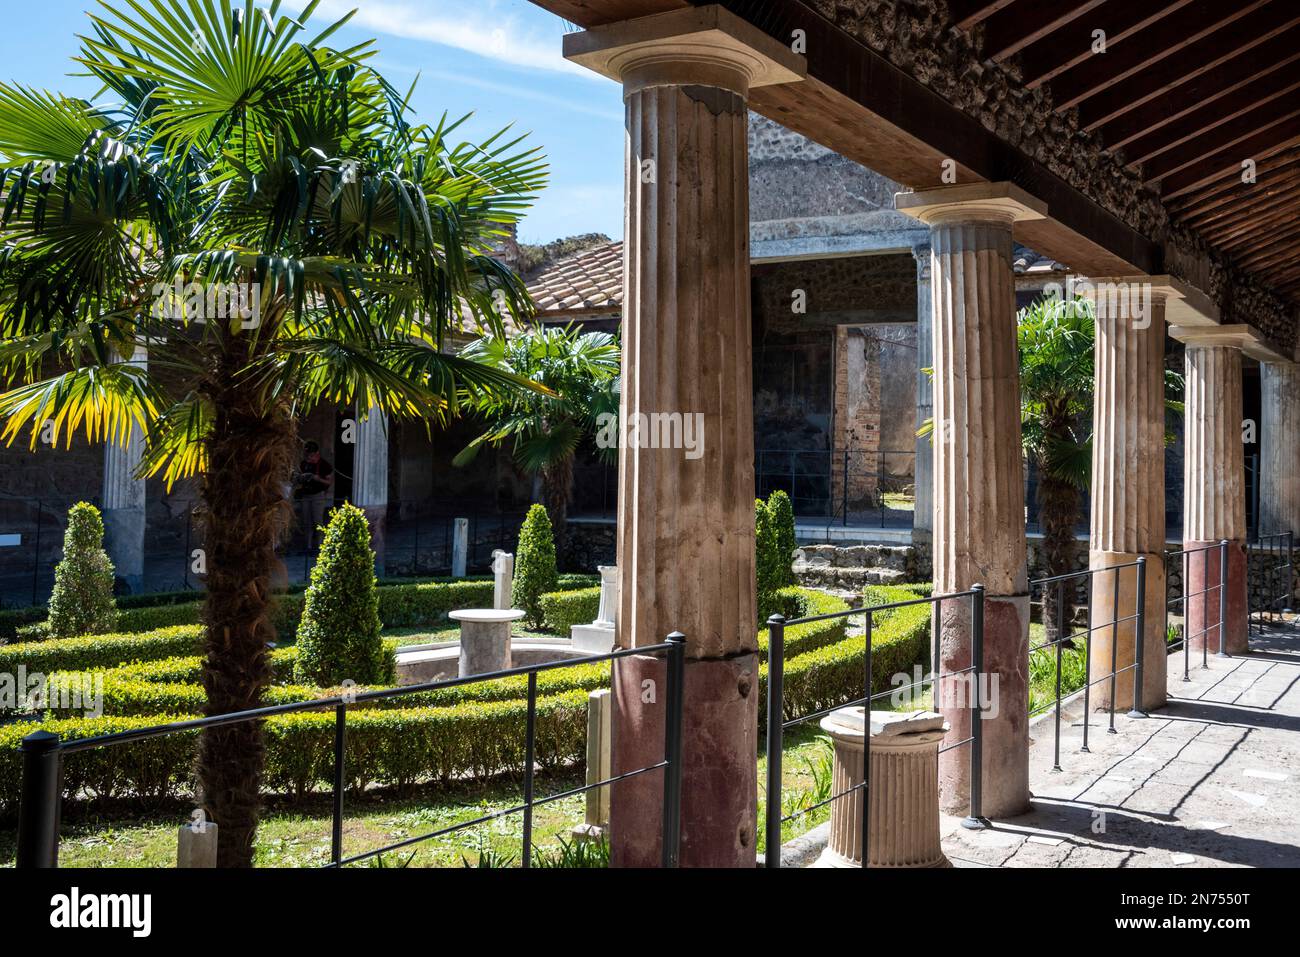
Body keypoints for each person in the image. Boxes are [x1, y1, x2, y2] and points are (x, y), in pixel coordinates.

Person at [293, 440, 333, 549]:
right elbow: (297, 477)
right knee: (306, 522)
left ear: (317, 453)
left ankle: (321, 546)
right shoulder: (304, 463)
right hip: (306, 495)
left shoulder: (325, 465)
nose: (309, 458)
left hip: (318, 496)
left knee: (318, 522)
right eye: (308, 455)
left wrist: (318, 479)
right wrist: (300, 478)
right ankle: (308, 547)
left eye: (312, 455)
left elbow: (329, 482)